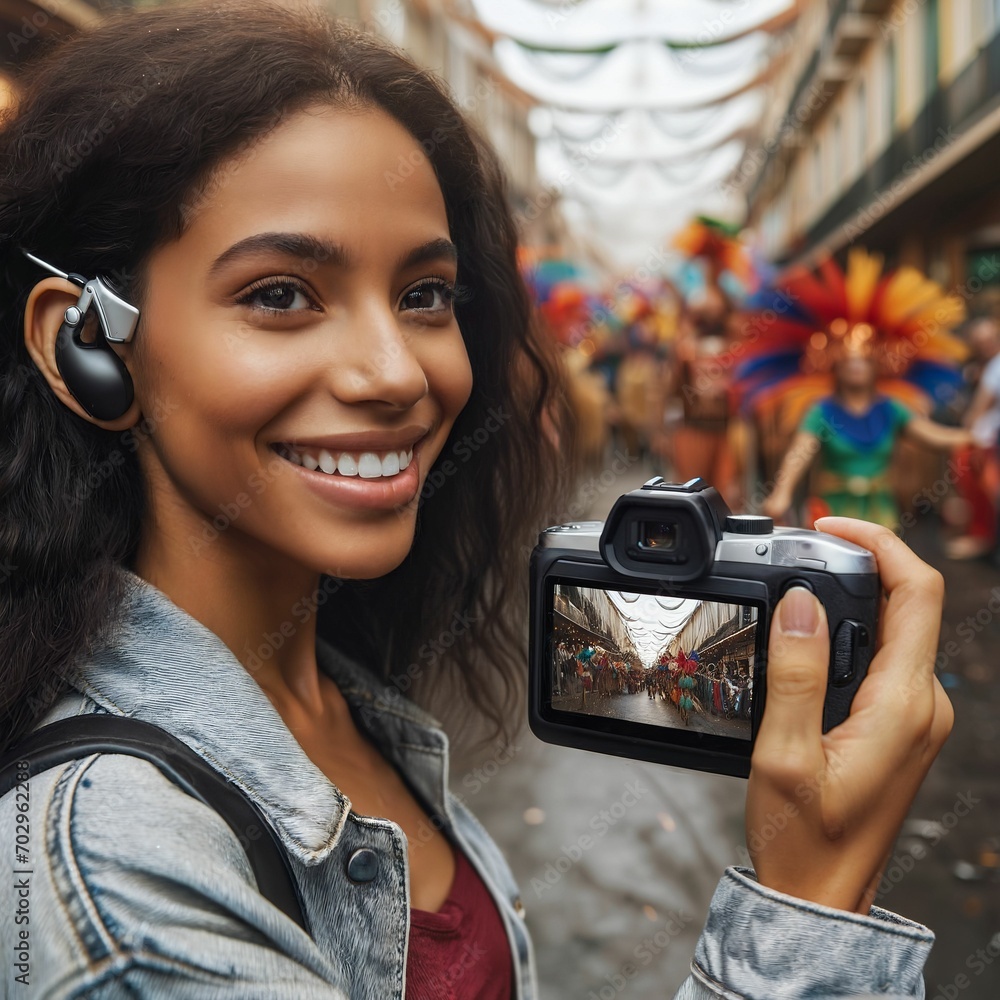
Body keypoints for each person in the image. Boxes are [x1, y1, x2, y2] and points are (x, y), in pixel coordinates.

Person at [0, 5, 953, 999]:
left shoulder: (348, 694)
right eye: (280, 293)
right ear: (84, 344)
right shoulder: (115, 877)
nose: (395, 373)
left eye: (424, 296)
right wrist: (807, 907)